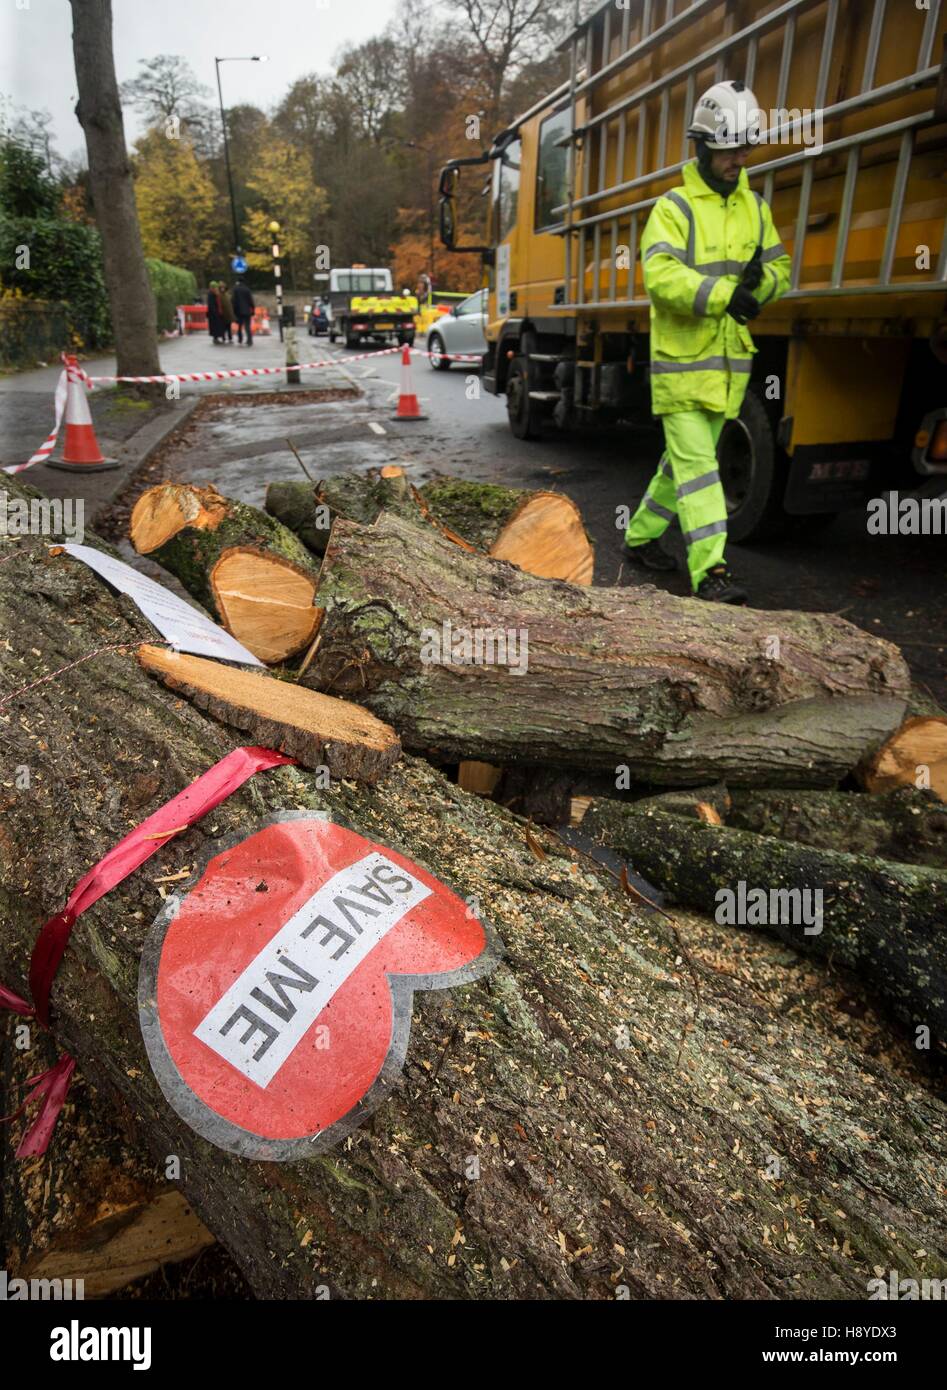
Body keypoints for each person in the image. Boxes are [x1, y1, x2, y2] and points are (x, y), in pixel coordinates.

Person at [623, 80, 792, 605]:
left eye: (745, 147)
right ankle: (711, 573)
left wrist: (757, 290)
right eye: (729, 148)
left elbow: (781, 268)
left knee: (680, 467)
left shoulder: (754, 208)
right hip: (680, 367)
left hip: (728, 369)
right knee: (700, 469)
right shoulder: (673, 207)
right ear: (702, 144)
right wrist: (725, 295)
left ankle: (639, 537)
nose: (739, 158)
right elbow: (659, 276)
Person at [233, 278, 255, 346]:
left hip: (238, 311)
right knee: (247, 326)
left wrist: (234, 310)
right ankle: (249, 340)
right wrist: (253, 309)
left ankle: (240, 339)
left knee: (239, 326)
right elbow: (250, 300)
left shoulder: (235, 289)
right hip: (247, 311)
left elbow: (234, 301)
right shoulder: (247, 289)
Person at [206, 280, 226, 345]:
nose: (216, 289)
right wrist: (215, 312)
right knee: (215, 327)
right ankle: (215, 338)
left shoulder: (215, 294)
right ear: (212, 287)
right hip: (214, 314)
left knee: (218, 326)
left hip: (217, 313)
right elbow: (211, 305)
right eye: (215, 287)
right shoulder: (211, 294)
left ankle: (217, 338)